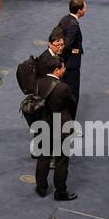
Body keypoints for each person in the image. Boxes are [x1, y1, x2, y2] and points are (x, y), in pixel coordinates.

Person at [32, 54, 77, 202]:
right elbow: (72, 104)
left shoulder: (38, 83)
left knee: (43, 157)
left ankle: (41, 187)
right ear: (57, 70)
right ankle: (60, 192)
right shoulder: (63, 88)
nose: (64, 70)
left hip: (44, 124)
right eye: (63, 67)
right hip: (61, 126)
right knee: (61, 160)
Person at [56, 0, 85, 112]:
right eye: (84, 8)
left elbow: (55, 36)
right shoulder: (74, 24)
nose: (85, 10)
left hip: (63, 62)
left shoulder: (64, 19)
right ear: (79, 10)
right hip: (71, 65)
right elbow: (66, 44)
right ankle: (69, 125)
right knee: (72, 94)